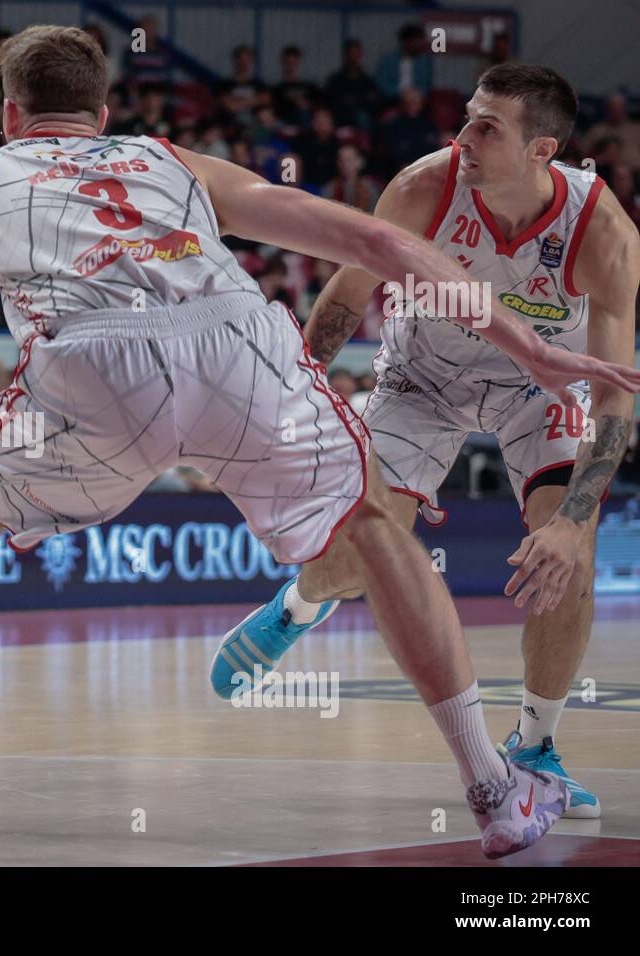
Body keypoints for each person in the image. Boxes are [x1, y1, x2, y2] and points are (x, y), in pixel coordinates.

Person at [0, 25, 640, 860]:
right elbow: (368, 245)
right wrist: (527, 344)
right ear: (102, 112)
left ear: (8, 115)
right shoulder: (172, 161)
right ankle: (494, 789)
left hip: (94, 363)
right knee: (376, 526)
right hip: (240, 338)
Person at [212, 65, 640, 822]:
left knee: (564, 549)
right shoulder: (422, 187)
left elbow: (612, 393)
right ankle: (302, 605)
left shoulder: (603, 232)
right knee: (354, 554)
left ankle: (535, 746)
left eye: (487, 127)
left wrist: (575, 521)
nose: (463, 136)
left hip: (541, 388)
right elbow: (344, 299)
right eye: (467, 118)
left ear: (543, 150)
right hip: (421, 377)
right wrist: (301, 412)